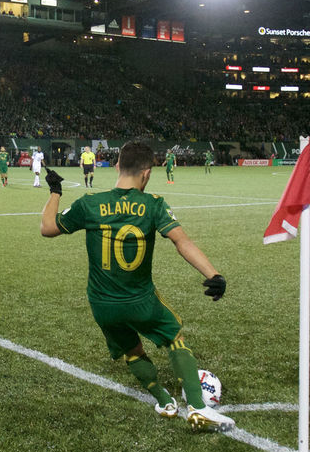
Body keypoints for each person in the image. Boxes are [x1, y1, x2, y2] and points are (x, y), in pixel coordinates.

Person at [40, 141, 234, 432]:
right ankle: (197, 405)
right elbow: (182, 242)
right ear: (147, 172)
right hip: (141, 300)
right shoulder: (153, 204)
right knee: (174, 338)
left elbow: (48, 228)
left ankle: (164, 401)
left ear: (117, 166)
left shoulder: (90, 204)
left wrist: (55, 192)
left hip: (103, 305)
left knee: (132, 351)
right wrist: (213, 274)